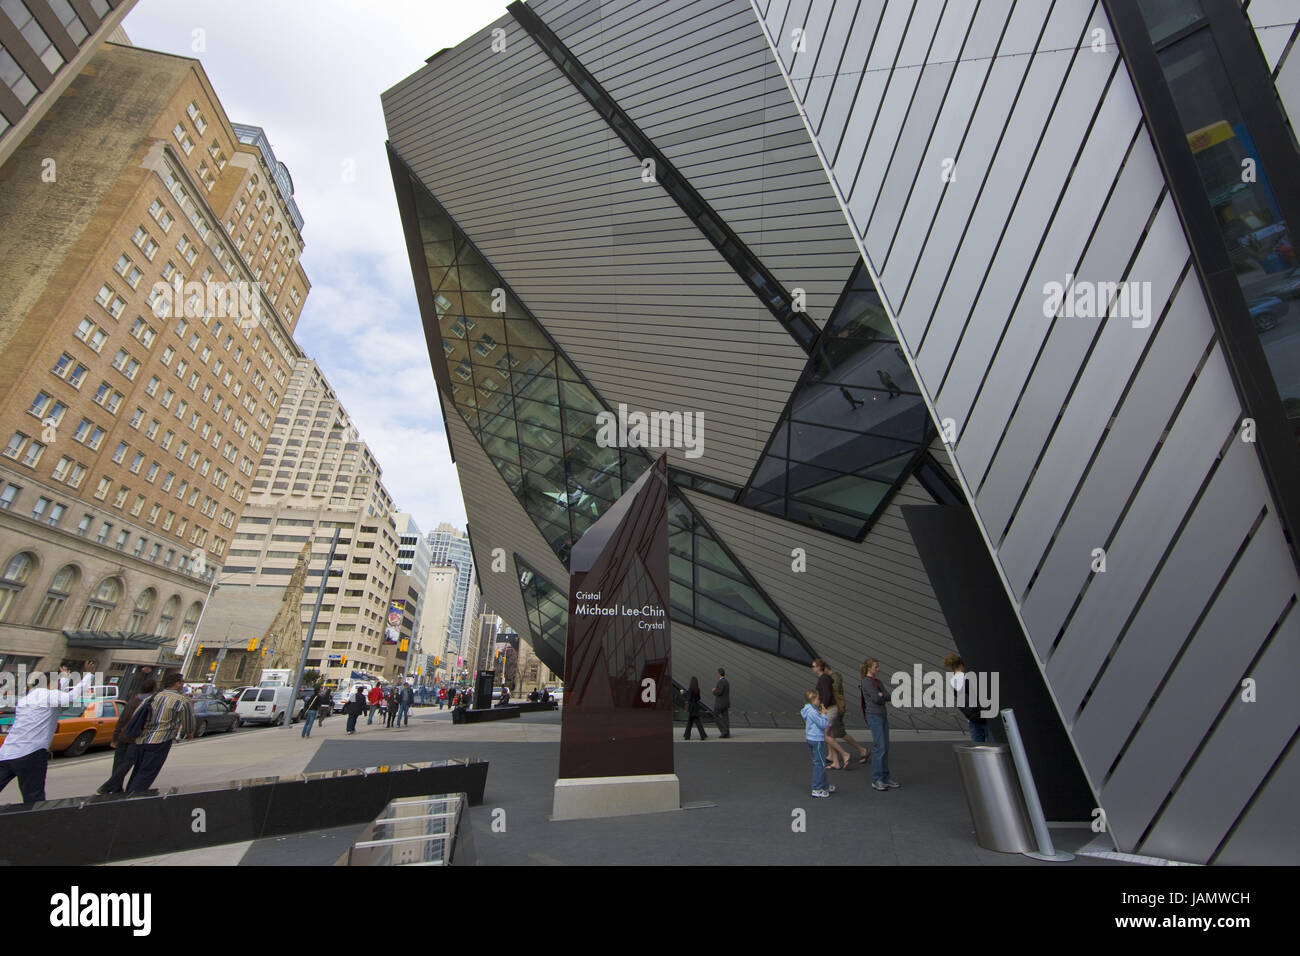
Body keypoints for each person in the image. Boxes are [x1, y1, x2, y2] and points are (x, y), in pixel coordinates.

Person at [0, 660, 97, 803]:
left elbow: (57, 694)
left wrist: (64, 677)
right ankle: (34, 821)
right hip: (31, 753)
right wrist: (88, 676)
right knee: (34, 797)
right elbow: (68, 697)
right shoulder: (47, 695)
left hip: (7, 753)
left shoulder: (27, 698)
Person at [125, 670, 194, 793]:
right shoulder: (182, 700)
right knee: (148, 770)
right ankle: (133, 797)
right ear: (177, 684)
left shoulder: (153, 697)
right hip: (161, 740)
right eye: (182, 682)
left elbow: (136, 715)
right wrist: (189, 732)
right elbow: (188, 720)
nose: (183, 684)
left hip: (142, 739)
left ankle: (129, 792)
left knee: (138, 769)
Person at [99, 678, 155, 793]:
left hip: (123, 735)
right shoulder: (151, 703)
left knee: (118, 763)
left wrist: (115, 737)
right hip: (136, 737)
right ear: (153, 689)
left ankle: (116, 787)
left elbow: (122, 720)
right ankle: (108, 786)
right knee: (128, 762)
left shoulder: (133, 701)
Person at [860, 658, 899, 791]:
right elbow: (877, 698)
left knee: (885, 747)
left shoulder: (878, 682)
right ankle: (877, 779)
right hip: (874, 716)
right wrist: (881, 695)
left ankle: (885, 777)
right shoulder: (866, 682)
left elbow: (888, 696)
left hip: (882, 715)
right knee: (880, 747)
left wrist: (881, 695)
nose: (878, 669)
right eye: (876, 667)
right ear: (869, 668)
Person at [942, 654, 995, 742]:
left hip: (972, 719)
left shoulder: (952, 682)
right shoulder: (968, 677)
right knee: (993, 745)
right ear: (961, 665)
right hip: (984, 715)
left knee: (977, 747)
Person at [828, 665, 870, 767]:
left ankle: (862, 750)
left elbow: (835, 690)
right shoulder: (831, 678)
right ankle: (831, 757)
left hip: (836, 709)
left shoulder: (835, 677)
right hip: (834, 709)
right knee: (831, 733)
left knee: (839, 733)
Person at [811, 659, 850, 769]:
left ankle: (844, 754)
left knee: (825, 735)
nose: (812, 668)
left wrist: (822, 708)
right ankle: (836, 762)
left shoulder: (823, 679)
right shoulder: (825, 678)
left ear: (819, 667)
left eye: (814, 666)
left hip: (830, 709)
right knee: (831, 735)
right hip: (831, 708)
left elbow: (827, 695)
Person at [801, 689, 835, 798]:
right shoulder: (812, 712)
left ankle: (824, 785)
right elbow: (823, 724)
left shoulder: (808, 710)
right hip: (817, 740)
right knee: (820, 764)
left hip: (810, 738)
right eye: (818, 699)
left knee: (819, 763)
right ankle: (817, 788)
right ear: (812, 700)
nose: (820, 700)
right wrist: (825, 715)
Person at [712, 667, 731, 738]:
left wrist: (714, 690)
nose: (716, 674)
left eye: (717, 673)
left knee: (715, 716)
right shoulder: (726, 681)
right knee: (725, 718)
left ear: (719, 674)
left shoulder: (720, 682)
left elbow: (719, 692)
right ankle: (727, 734)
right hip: (726, 703)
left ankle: (724, 731)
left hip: (720, 703)